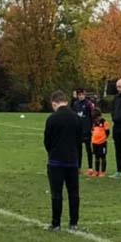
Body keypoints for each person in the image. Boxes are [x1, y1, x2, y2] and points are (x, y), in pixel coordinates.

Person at [43, 90, 82, 231]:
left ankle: (56, 223)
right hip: (72, 161)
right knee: (74, 193)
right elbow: (79, 141)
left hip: (56, 162)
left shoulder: (52, 118)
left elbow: (47, 140)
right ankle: (74, 223)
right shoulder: (77, 118)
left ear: (54, 103)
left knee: (56, 193)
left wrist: (52, 153)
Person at [71, 89, 95, 176]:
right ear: (77, 95)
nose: (81, 96)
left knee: (88, 149)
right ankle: (78, 167)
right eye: (79, 95)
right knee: (78, 150)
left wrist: (92, 126)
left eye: (82, 94)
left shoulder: (88, 104)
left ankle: (90, 168)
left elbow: (92, 115)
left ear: (85, 95)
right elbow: (73, 115)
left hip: (87, 130)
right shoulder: (75, 104)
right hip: (78, 130)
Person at [90, 108, 109, 177]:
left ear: (99, 116)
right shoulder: (93, 123)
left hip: (102, 143)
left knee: (103, 157)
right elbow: (92, 130)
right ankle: (97, 171)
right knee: (96, 157)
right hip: (94, 143)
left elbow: (107, 132)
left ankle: (103, 172)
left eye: (96, 118)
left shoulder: (104, 122)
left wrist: (102, 139)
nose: (96, 120)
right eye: (94, 119)